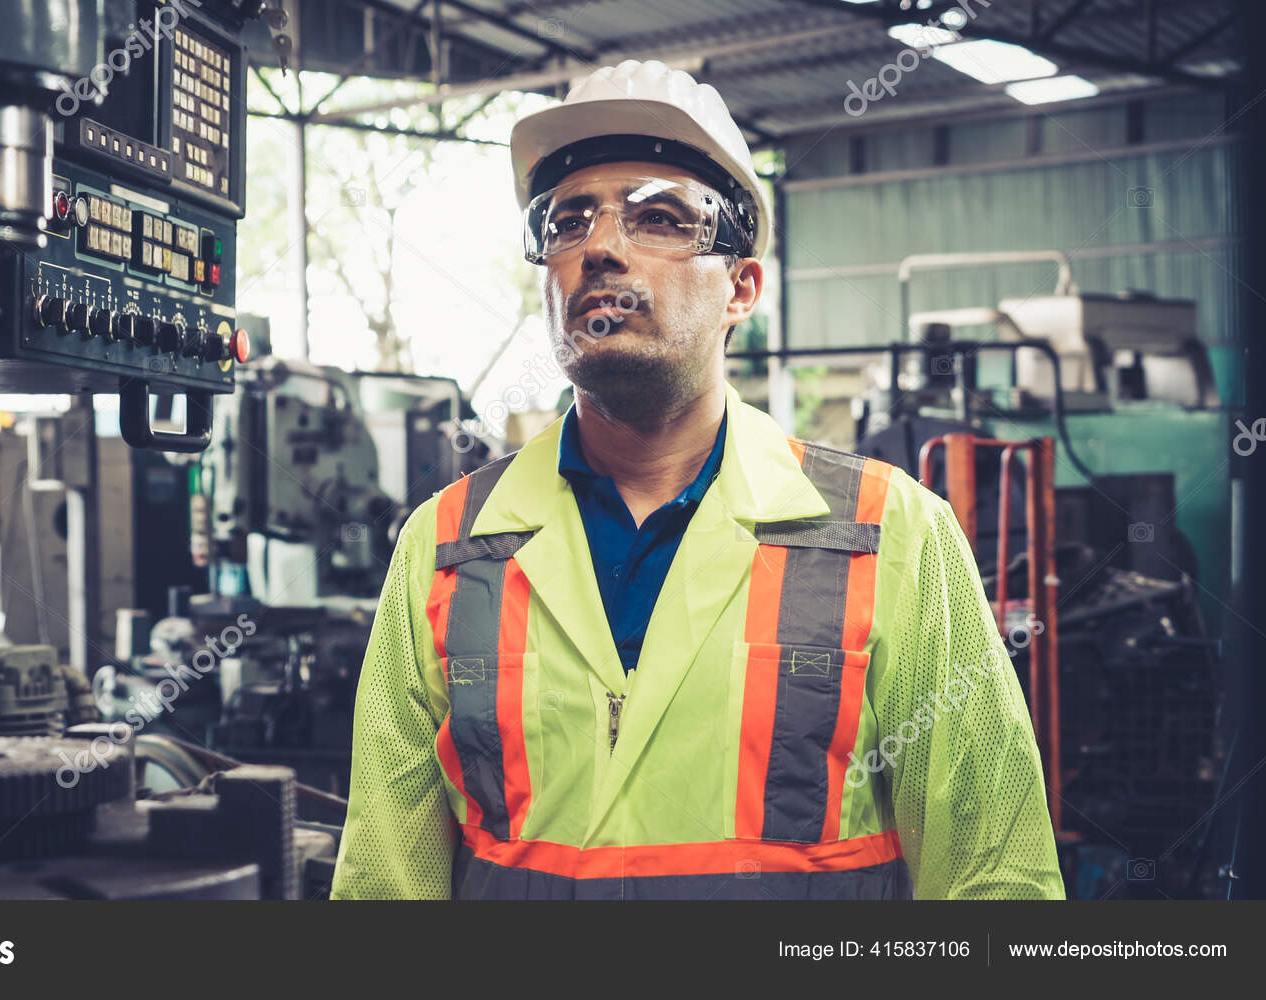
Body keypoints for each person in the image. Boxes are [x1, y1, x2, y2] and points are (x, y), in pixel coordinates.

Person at [331, 59, 1063, 899]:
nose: (599, 247)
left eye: (659, 217)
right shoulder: (447, 547)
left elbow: (995, 879)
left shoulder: (894, 537)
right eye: (568, 221)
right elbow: (382, 886)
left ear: (740, 288)